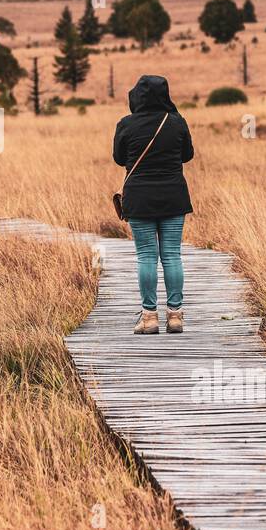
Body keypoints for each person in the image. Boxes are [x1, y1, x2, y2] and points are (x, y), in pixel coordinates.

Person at [112, 75, 194, 335]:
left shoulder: (126, 124)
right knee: (172, 255)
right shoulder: (177, 122)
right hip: (173, 196)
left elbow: (118, 158)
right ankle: (175, 316)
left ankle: (149, 318)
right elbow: (187, 155)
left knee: (146, 256)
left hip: (140, 198)